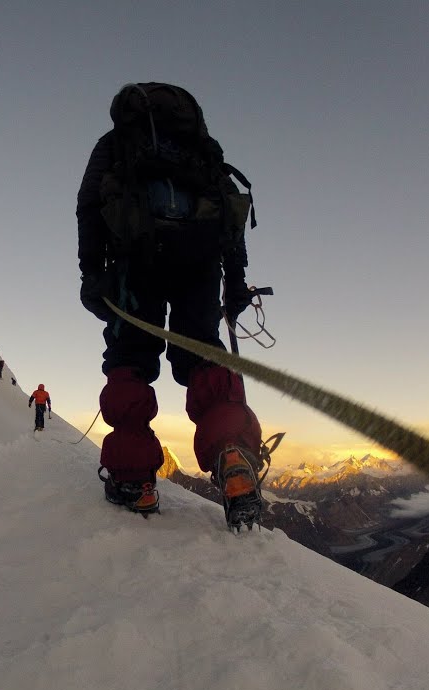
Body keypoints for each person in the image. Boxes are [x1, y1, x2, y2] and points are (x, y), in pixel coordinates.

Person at [75, 82, 266, 528]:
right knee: (203, 357)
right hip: (199, 265)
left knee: (130, 361)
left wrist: (93, 273)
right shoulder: (201, 149)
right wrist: (234, 285)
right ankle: (233, 458)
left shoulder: (116, 144)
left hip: (134, 262)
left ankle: (135, 480)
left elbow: (88, 205)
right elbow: (230, 217)